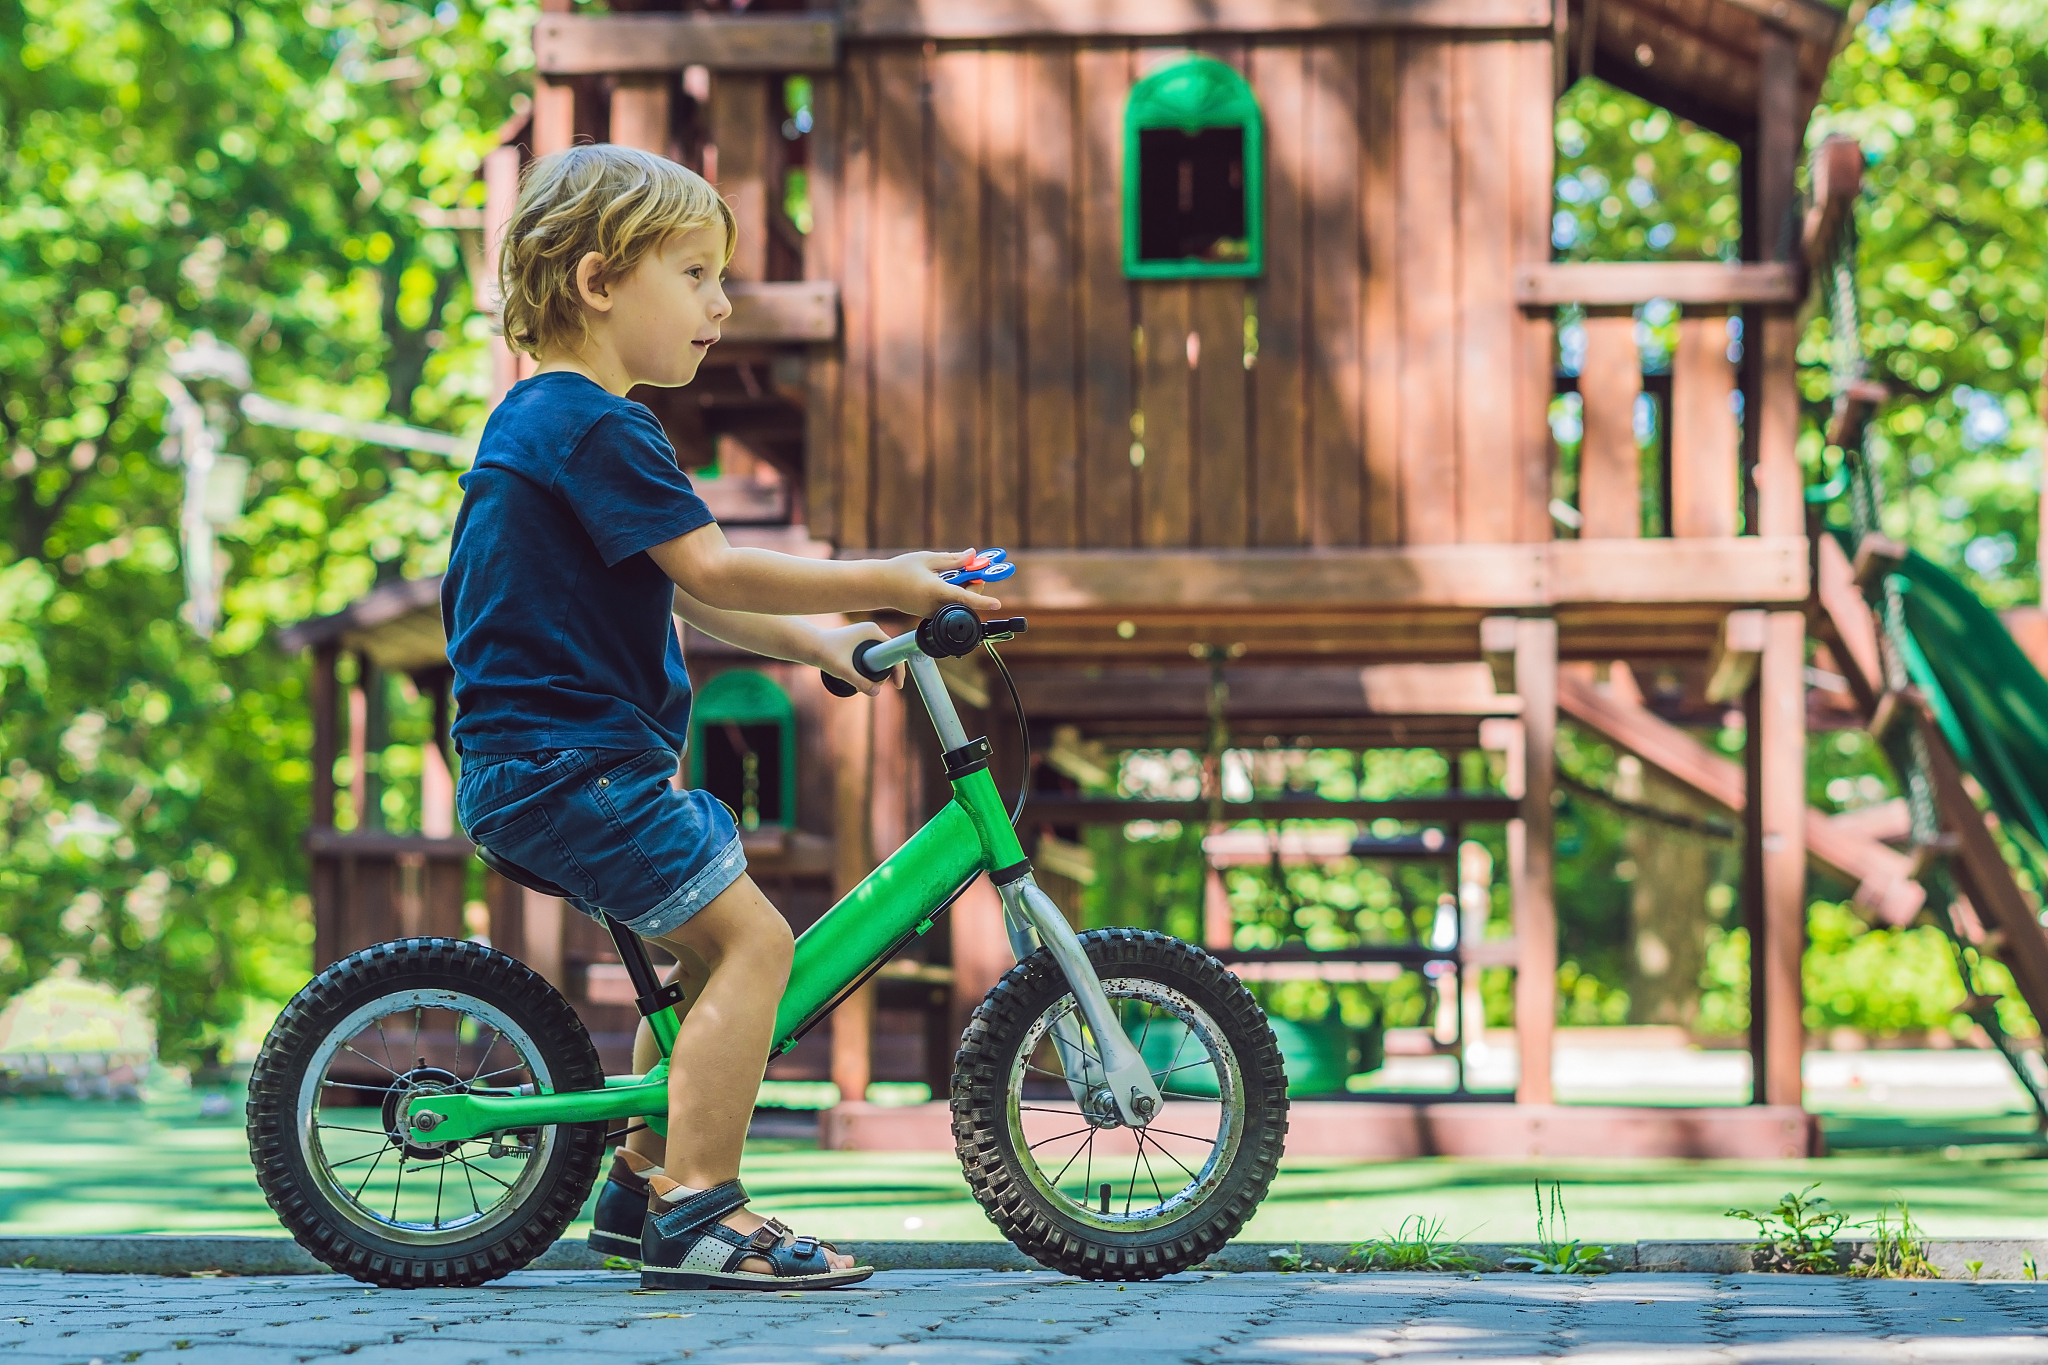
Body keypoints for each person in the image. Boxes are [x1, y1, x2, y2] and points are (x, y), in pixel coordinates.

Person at [442, 144, 999, 1290]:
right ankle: (701, 1210)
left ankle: (641, 1181)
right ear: (600, 284)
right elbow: (718, 565)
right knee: (753, 944)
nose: (721, 304)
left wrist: (825, 637)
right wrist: (886, 573)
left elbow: (689, 590)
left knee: (703, 964)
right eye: (694, 275)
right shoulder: (595, 424)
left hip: (543, 765)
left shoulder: (542, 421)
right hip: (573, 766)